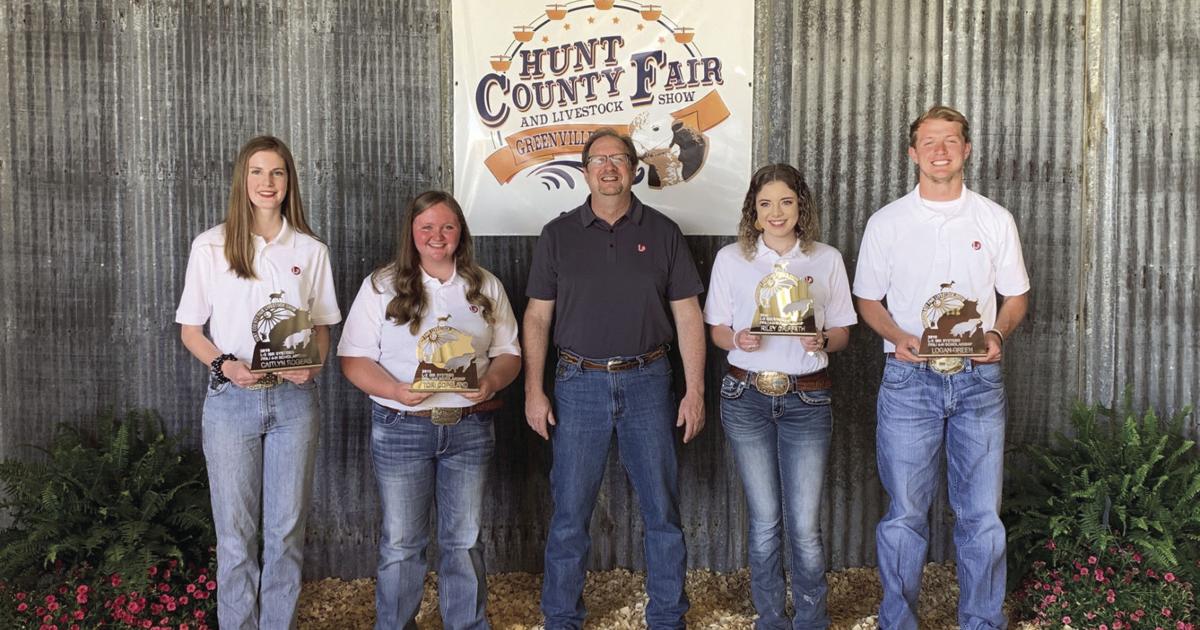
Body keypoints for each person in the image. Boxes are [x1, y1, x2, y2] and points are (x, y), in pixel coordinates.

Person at [854, 105, 1030, 630]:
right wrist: (898, 338)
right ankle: (898, 621)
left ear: (966, 149)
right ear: (912, 153)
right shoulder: (887, 222)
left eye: (950, 141)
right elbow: (868, 301)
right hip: (908, 381)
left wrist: (997, 333)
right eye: (929, 142)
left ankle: (981, 621)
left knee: (981, 516)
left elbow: (1016, 295)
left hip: (977, 382)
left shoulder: (994, 219)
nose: (940, 150)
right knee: (906, 514)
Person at [523, 128, 706, 630]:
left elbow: (688, 314)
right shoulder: (557, 235)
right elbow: (537, 318)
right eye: (598, 160)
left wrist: (695, 391)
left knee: (662, 513)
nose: (608, 168)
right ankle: (561, 618)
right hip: (576, 383)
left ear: (633, 168)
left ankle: (668, 617)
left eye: (619, 159)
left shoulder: (664, 232)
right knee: (568, 516)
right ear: (585, 172)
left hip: (649, 381)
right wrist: (533, 390)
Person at [176, 135, 342, 629]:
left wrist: (313, 364)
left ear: (289, 181)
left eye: (277, 173)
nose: (267, 183)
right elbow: (191, 331)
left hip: (294, 403)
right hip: (231, 403)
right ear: (242, 180)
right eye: (257, 172)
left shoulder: (310, 250)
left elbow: (322, 327)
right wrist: (226, 364)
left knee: (286, 533)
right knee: (234, 536)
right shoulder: (211, 245)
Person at [338, 190, 521, 630]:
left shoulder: (484, 284)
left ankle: (466, 624)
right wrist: (395, 390)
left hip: (469, 428)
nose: (437, 236)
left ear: (460, 233)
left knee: (464, 541)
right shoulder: (381, 286)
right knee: (402, 542)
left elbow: (509, 353)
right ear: (412, 234)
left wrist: (491, 382)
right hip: (401, 426)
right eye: (427, 227)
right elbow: (353, 359)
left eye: (447, 227)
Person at [704, 164, 856, 629]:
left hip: (807, 400)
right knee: (766, 519)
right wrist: (738, 340)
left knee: (805, 525)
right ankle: (770, 617)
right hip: (746, 396)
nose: (776, 212)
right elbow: (716, 329)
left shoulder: (825, 259)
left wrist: (824, 341)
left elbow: (845, 330)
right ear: (752, 212)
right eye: (765, 204)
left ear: (800, 208)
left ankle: (811, 619)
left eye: (786, 202)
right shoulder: (732, 259)